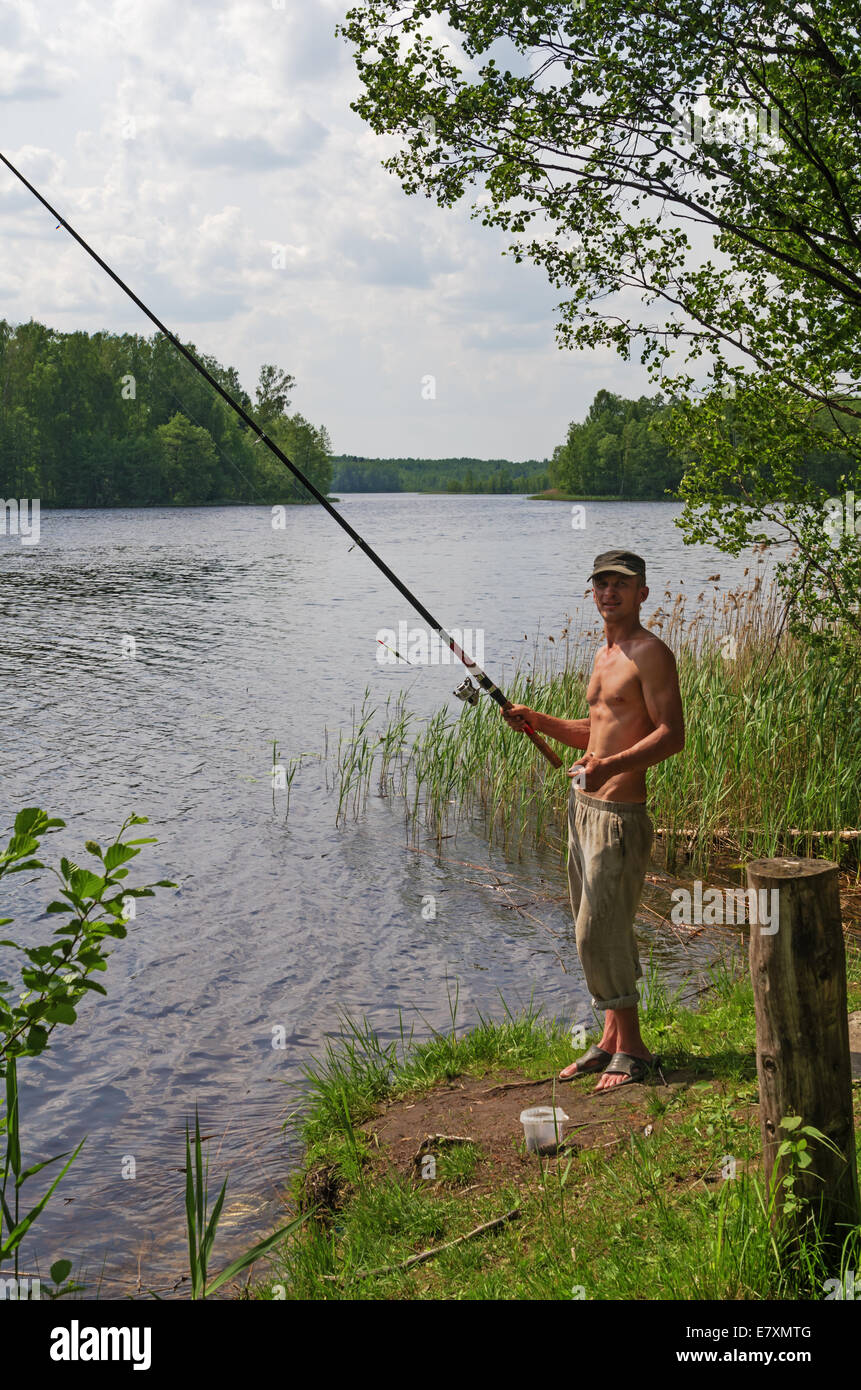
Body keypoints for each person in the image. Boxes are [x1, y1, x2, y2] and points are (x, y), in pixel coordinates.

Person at [503, 549, 685, 1091]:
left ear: (642, 594)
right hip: (583, 807)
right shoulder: (605, 654)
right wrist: (539, 721)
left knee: (597, 931)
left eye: (621, 585)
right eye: (602, 584)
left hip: (620, 814)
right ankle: (610, 1038)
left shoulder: (651, 653)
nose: (609, 592)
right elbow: (595, 728)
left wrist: (612, 767)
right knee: (595, 926)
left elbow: (672, 735)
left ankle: (634, 1049)